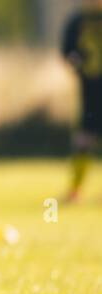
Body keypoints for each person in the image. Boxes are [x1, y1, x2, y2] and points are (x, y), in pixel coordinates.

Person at [62, 0, 102, 204]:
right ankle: (75, 191)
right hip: (90, 91)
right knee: (84, 139)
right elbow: (67, 52)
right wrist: (76, 62)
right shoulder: (78, 21)